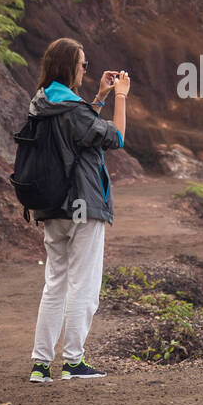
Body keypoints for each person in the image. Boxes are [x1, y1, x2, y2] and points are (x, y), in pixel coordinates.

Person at [27, 37, 130, 383]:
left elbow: (80, 131)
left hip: (51, 205)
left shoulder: (40, 104)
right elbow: (115, 138)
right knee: (83, 284)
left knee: (54, 283)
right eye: (83, 64)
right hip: (84, 204)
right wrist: (121, 96)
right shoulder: (73, 110)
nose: (86, 69)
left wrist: (99, 97)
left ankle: (41, 365)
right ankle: (73, 361)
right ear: (70, 66)